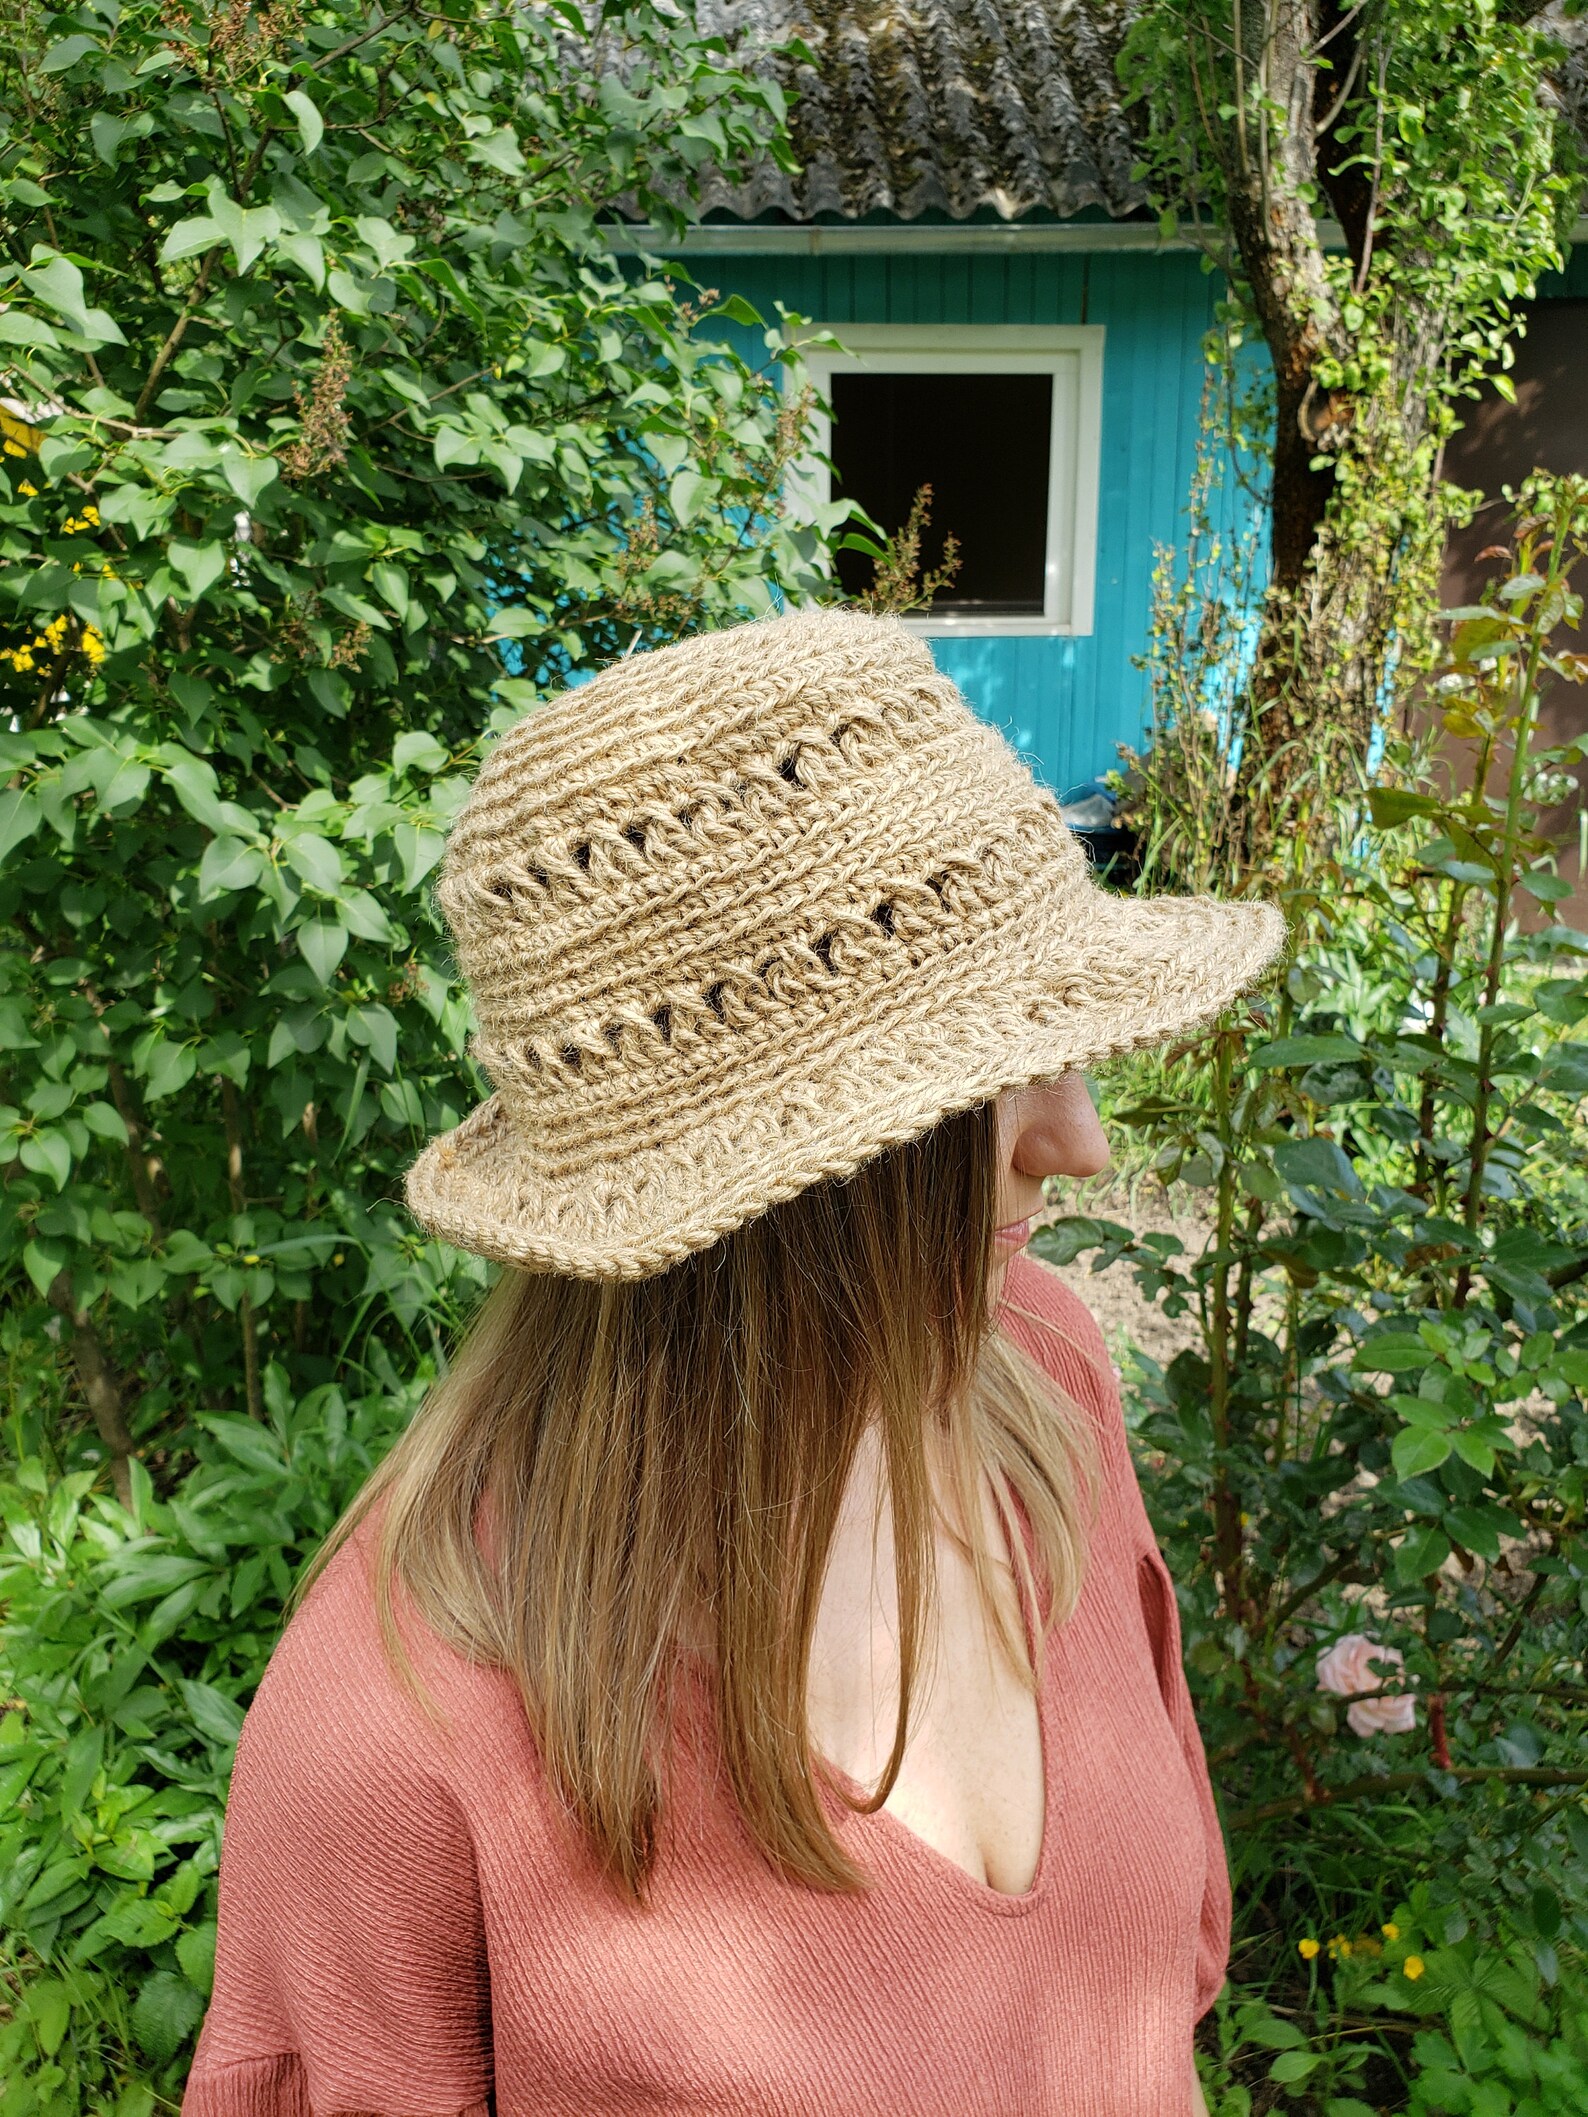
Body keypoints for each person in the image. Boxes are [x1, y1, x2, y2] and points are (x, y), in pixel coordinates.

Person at [182, 609, 1283, 2117]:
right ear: (772, 1194)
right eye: (988, 1075)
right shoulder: (402, 1737)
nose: (1078, 1140)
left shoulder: (1038, 1383)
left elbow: (1148, 1982)